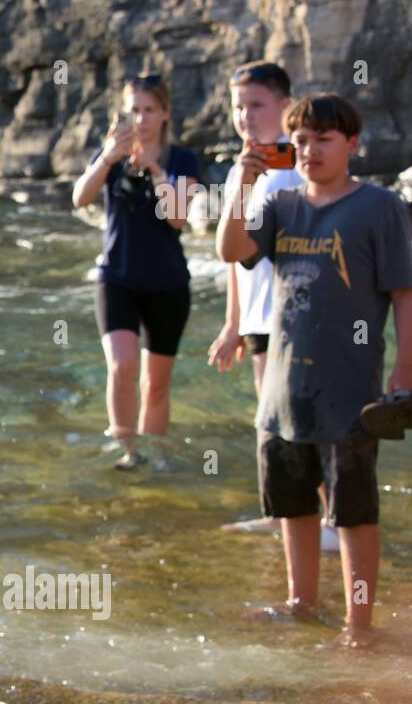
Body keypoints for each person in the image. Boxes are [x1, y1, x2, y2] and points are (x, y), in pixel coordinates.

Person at [216, 93, 412, 648]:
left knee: (351, 510)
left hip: (349, 386)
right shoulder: (283, 205)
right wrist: (242, 187)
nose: (309, 150)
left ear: (352, 144)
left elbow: (404, 293)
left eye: (323, 139)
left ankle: (360, 624)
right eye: (299, 140)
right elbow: (231, 251)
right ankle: (300, 603)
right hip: (282, 388)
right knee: (292, 501)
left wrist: (405, 368)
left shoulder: (380, 208)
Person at [205, 62, 339, 547]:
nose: (245, 115)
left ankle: (326, 519)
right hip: (260, 316)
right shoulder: (246, 169)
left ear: (286, 107)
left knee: (300, 418)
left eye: (256, 105)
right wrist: (232, 324)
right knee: (271, 417)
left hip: (294, 313)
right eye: (238, 106)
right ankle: (283, 514)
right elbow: (233, 257)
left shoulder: (293, 172)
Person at [72, 74, 200, 470]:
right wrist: (108, 157)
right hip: (117, 278)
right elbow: (80, 199)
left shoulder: (182, 159)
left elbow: (179, 220)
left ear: (164, 113)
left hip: (168, 283)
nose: (141, 118)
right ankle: (128, 450)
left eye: (149, 109)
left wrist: (156, 170)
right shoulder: (110, 153)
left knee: (156, 384)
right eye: (133, 110)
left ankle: (155, 454)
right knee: (121, 365)